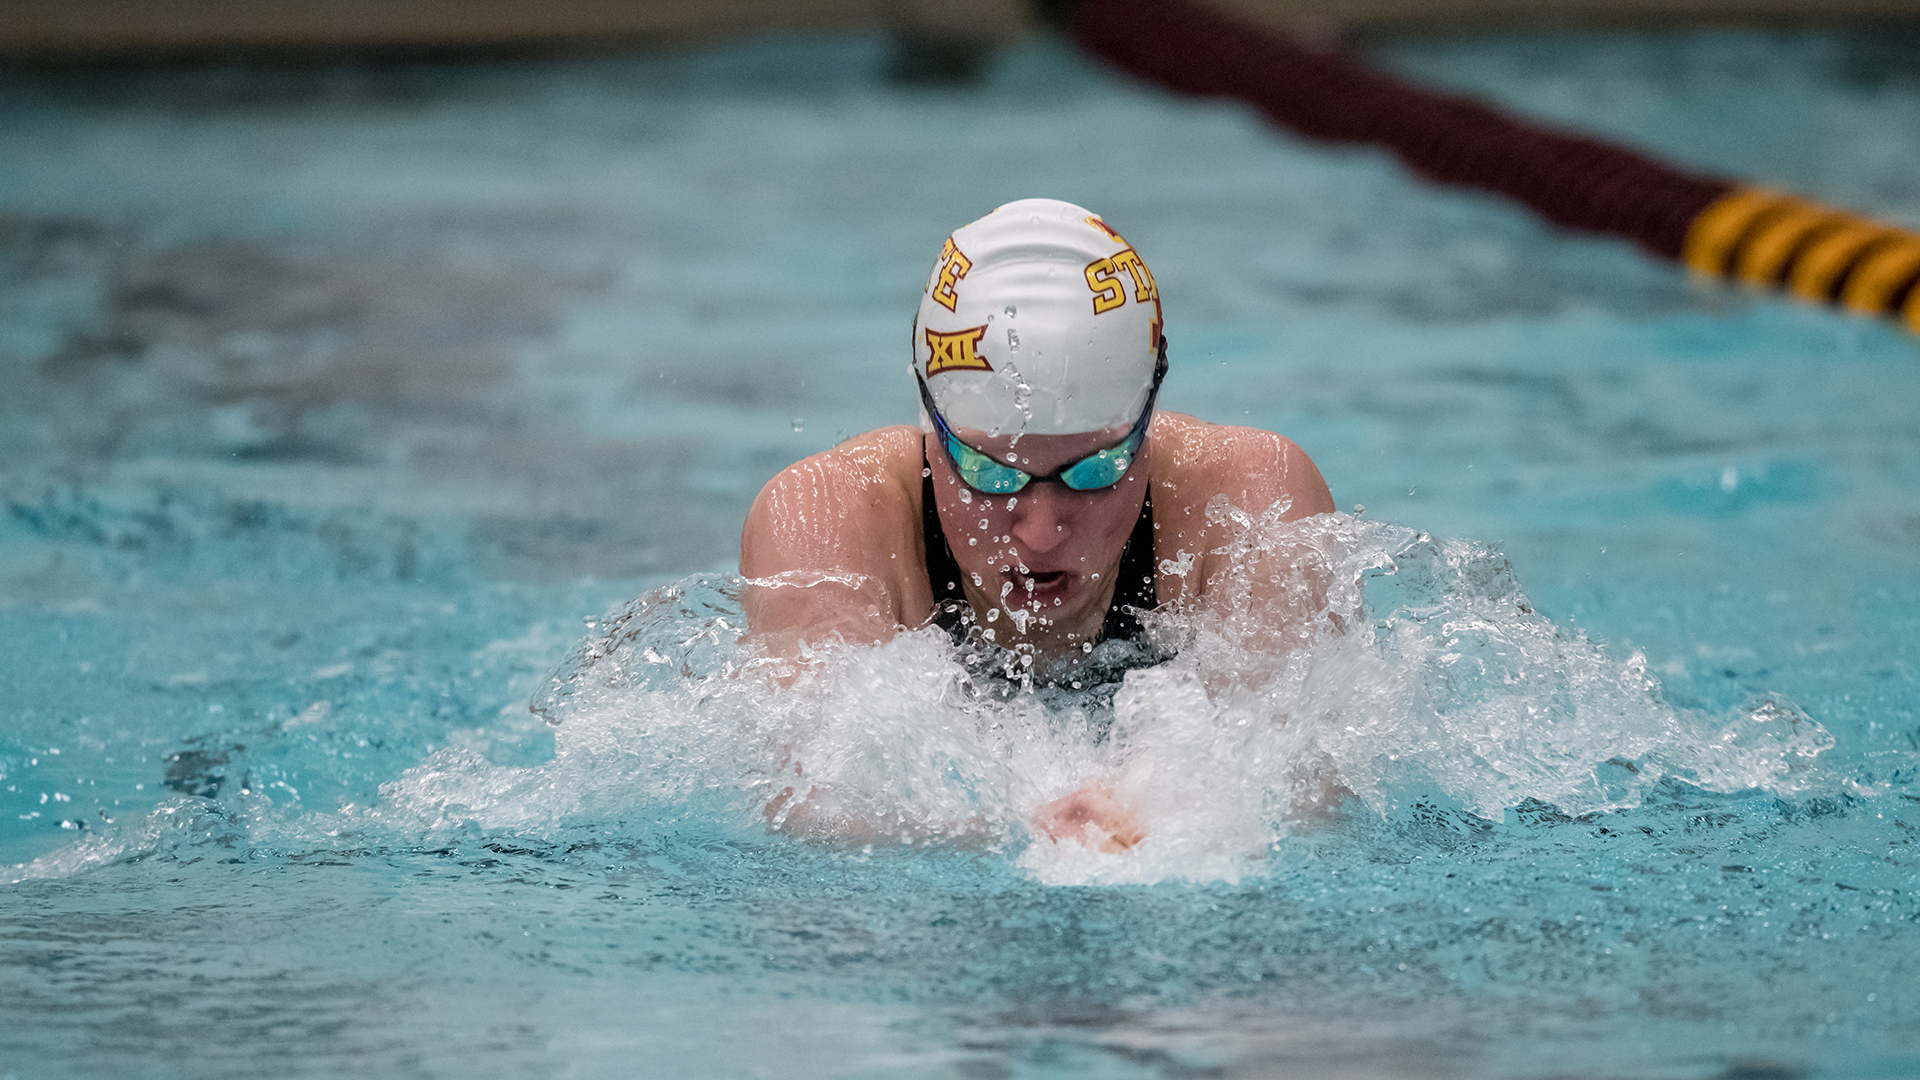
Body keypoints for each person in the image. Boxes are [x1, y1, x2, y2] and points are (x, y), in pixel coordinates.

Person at [739, 198, 1334, 852]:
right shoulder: (830, 515)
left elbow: (1309, 789)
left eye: (1096, 470)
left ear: (1148, 422)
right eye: (990, 474)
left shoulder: (1248, 500)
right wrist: (1027, 834)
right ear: (929, 428)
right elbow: (817, 810)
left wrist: (1164, 808)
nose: (1042, 533)